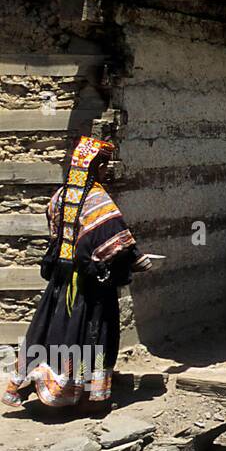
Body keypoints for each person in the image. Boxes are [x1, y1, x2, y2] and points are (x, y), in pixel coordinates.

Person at [3, 138, 151, 411]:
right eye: (104, 165)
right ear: (96, 166)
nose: (107, 170)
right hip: (90, 284)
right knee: (91, 335)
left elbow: (56, 233)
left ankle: (46, 383)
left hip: (61, 279)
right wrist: (139, 261)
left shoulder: (60, 196)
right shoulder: (98, 200)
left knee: (50, 330)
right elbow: (114, 238)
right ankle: (85, 395)